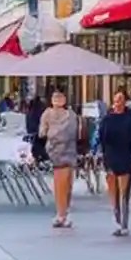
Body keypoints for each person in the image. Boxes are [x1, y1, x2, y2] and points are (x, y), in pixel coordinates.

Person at [98, 89, 131, 236]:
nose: (118, 103)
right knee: (113, 192)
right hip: (110, 157)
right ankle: (116, 221)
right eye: (116, 100)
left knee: (124, 193)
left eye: (121, 99)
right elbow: (101, 138)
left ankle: (124, 224)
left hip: (125, 156)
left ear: (125, 101)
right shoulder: (107, 119)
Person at [39, 91, 80, 228]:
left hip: (56, 152)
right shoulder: (72, 115)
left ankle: (61, 213)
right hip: (69, 151)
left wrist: (52, 134)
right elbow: (76, 133)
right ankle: (64, 212)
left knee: (60, 183)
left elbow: (42, 132)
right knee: (67, 183)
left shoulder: (47, 114)